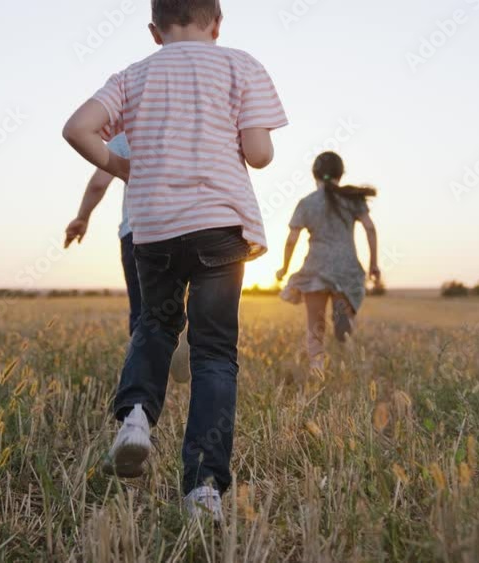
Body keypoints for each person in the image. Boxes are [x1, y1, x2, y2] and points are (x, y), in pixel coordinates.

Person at [62, 0, 287, 522]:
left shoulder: (131, 75)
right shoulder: (241, 64)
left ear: (154, 30)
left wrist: (123, 166)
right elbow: (259, 154)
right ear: (217, 23)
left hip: (154, 227)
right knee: (212, 355)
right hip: (220, 226)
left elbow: (77, 128)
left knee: (155, 327)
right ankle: (203, 490)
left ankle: (136, 418)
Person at [64, 133, 191, 384]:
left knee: (143, 314)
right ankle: (183, 334)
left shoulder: (127, 134)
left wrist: (82, 217)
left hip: (137, 233)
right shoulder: (188, 122)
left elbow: (98, 183)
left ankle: (141, 396)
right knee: (177, 300)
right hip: (183, 229)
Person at [276, 152, 379, 371]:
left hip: (316, 269)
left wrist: (284, 268)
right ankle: (344, 319)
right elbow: (370, 228)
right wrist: (373, 265)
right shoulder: (353, 199)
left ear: (314, 174)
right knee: (346, 314)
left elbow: (292, 240)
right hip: (346, 267)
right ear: (340, 174)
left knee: (315, 327)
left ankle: (317, 369)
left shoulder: (306, 203)